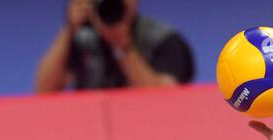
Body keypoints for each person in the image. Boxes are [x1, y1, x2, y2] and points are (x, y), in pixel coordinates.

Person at [35, 0, 194, 93]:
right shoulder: (81, 38)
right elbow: (44, 90)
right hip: (91, 129)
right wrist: (68, 30)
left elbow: (166, 101)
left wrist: (123, 47)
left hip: (149, 128)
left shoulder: (164, 39)